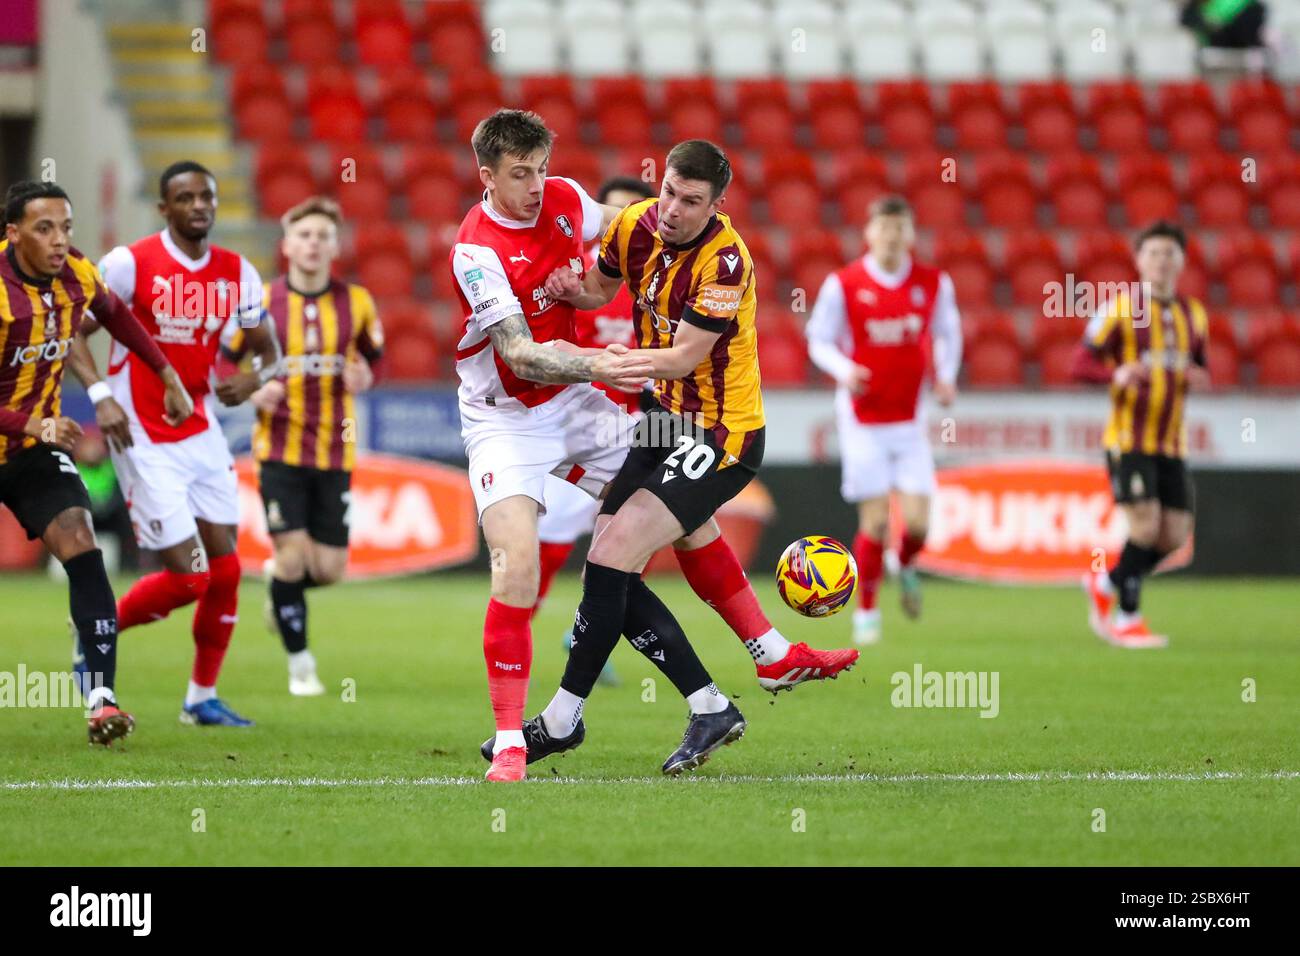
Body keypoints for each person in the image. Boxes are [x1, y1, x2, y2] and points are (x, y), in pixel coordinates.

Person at [522, 140, 860, 777]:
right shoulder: (635, 224)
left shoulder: (726, 262)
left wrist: (607, 363)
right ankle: (720, 695)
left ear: (717, 204)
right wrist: (573, 287)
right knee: (610, 566)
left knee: (611, 555)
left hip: (720, 432)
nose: (673, 209)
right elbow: (598, 289)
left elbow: (683, 357)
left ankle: (565, 716)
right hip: (660, 419)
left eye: (691, 201)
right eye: (670, 192)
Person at [447, 109, 655, 782]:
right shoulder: (475, 251)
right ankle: (512, 740)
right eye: (519, 174)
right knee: (517, 566)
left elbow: (628, 231)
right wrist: (601, 362)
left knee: (679, 507)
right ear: (487, 175)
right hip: (504, 416)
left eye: (540, 168)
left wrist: (677, 230)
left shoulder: (564, 198)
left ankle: (758, 657)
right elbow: (519, 354)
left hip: (571, 405)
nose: (536, 186)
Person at [69, 161, 281, 727]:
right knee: (189, 577)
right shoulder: (129, 263)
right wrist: (99, 396)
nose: (197, 205)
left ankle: (200, 699)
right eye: (184, 197)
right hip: (139, 432)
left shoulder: (238, 273)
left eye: (205, 196)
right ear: (164, 208)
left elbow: (269, 348)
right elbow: (72, 331)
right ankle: (96, 626)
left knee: (228, 571)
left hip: (200, 426)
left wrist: (254, 378)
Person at [0, 179, 192, 745]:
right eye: (44, 229)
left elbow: (116, 315)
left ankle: (102, 700)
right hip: (33, 430)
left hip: (32, 451)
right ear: (11, 235)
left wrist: (166, 373)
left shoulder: (75, 273)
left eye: (66, 227)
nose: (60, 240)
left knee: (82, 543)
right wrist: (36, 422)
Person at [224, 196, 384, 696]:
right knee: (292, 556)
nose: (313, 244)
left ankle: (279, 587)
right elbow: (224, 363)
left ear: (335, 246)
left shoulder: (356, 302)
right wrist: (255, 385)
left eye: (322, 236)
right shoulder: (262, 304)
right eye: (305, 235)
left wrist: (364, 376)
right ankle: (301, 667)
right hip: (278, 451)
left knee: (329, 570)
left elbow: (372, 360)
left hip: (336, 452)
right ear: (287, 245)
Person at [805, 194, 963, 646]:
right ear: (870, 233)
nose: (893, 236)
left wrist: (947, 377)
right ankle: (868, 611)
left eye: (901, 228)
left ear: (911, 234)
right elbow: (818, 339)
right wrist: (844, 369)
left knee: (917, 526)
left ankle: (906, 562)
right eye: (885, 228)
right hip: (861, 419)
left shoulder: (933, 282)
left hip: (910, 420)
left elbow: (949, 333)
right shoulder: (845, 283)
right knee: (874, 523)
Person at [1074, 221, 1210, 648]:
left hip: (1171, 442)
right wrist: (1117, 372)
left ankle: (1107, 582)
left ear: (1182, 261)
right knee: (1145, 528)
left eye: (1170, 253)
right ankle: (1128, 618)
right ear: (1138, 260)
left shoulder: (1195, 314)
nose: (1162, 261)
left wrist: (1198, 376)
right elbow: (1079, 364)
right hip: (1128, 439)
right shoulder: (1119, 308)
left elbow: (1201, 365)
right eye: (1153, 253)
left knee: (1173, 536)